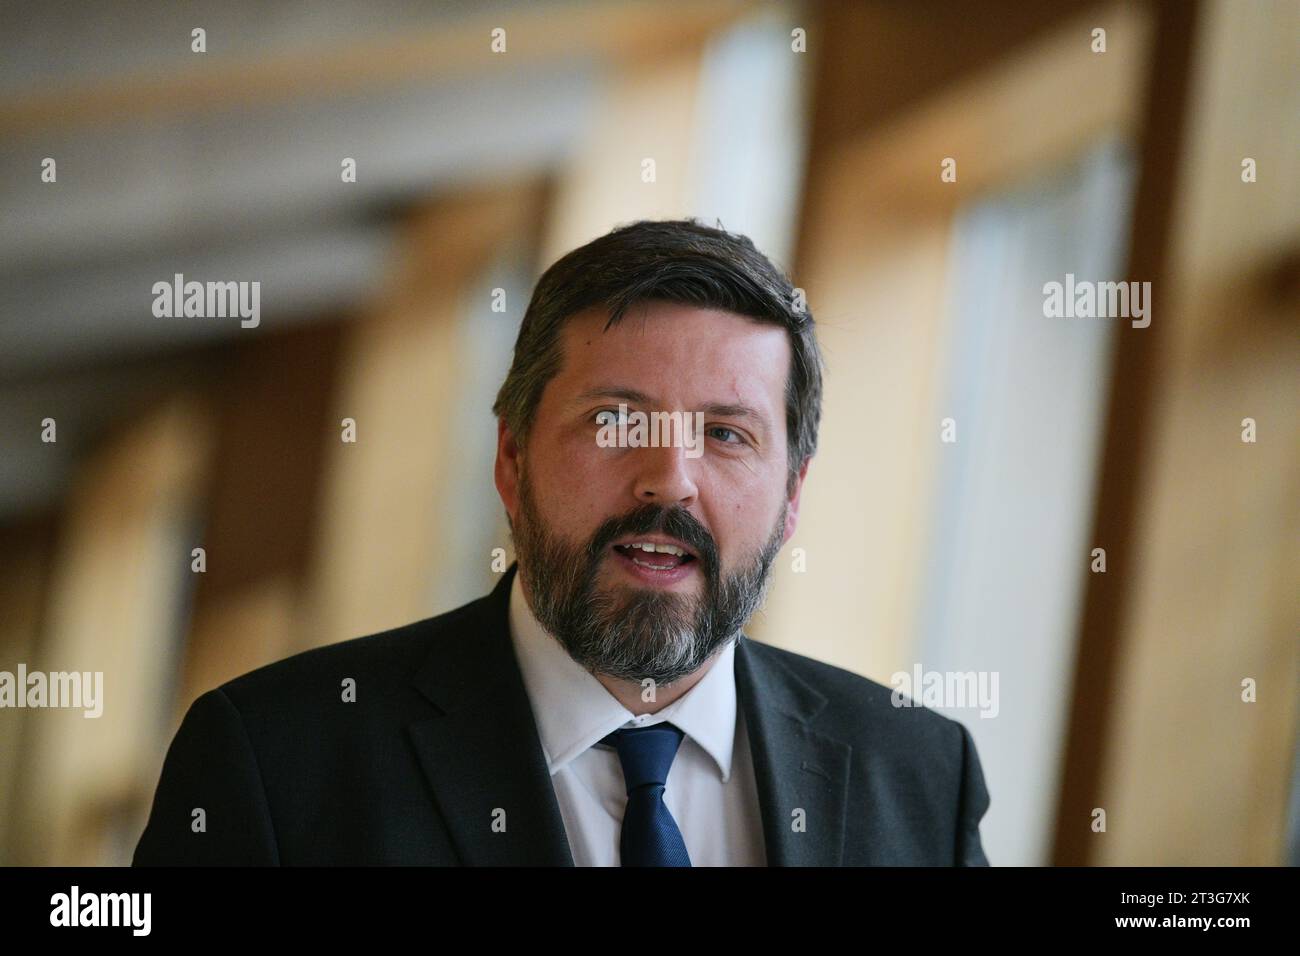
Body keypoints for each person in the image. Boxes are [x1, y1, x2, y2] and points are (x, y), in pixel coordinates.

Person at [133, 218, 991, 866]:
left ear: (793, 494)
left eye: (727, 435)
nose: (669, 481)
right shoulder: (275, 759)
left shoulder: (920, 773)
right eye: (615, 421)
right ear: (512, 458)